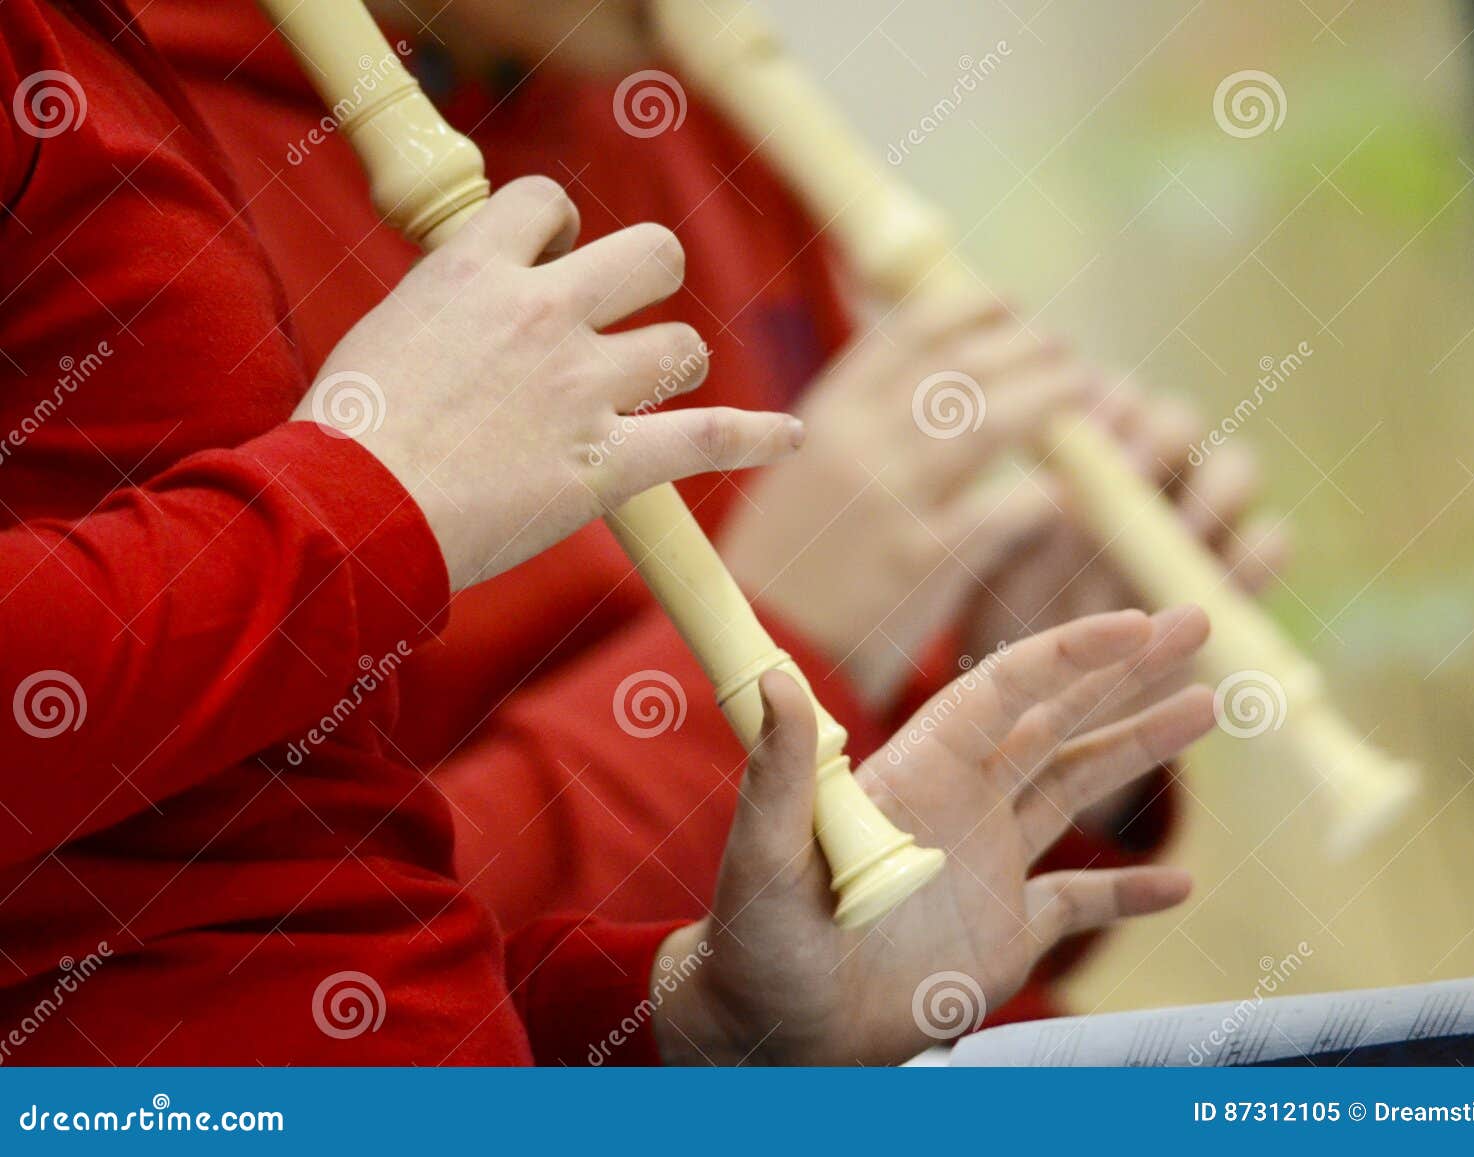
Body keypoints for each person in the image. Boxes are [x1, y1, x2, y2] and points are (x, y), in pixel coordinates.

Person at [0, 0, 1211, 1064]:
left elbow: (371, 943)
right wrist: (766, 647)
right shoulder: (154, 123)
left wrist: (1001, 704)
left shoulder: (678, 104)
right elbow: (213, 906)